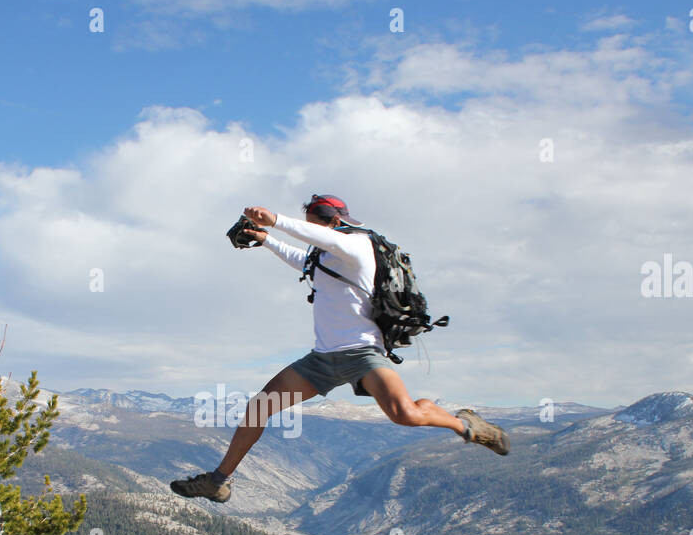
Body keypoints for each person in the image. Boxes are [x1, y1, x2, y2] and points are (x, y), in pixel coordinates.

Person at [171, 194, 509, 503]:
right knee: (259, 407)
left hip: (363, 354)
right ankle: (218, 481)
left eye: (314, 223)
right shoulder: (326, 258)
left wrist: (275, 219)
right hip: (321, 360)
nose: (312, 231)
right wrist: (266, 240)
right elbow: (302, 258)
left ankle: (465, 425)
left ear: (331, 220)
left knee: (404, 414)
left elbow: (322, 239)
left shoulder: (358, 245)